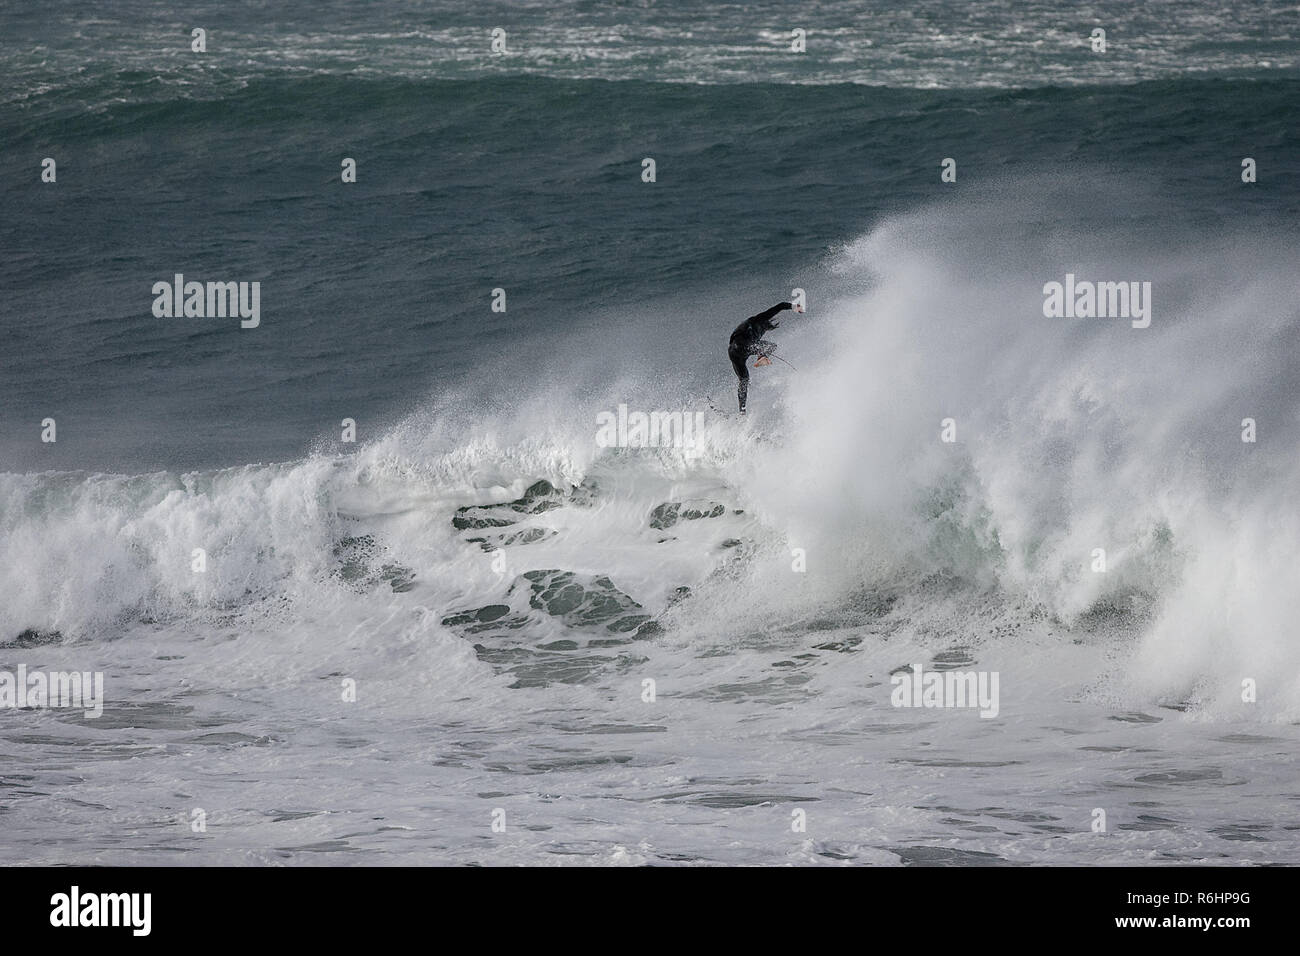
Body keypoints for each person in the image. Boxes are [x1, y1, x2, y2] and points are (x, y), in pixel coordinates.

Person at [727, 301, 802, 412]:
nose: (767, 328)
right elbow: (781, 306)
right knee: (771, 346)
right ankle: (761, 357)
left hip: (734, 353)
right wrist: (795, 307)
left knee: (744, 380)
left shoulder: (759, 329)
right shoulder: (759, 319)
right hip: (742, 345)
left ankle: (742, 410)